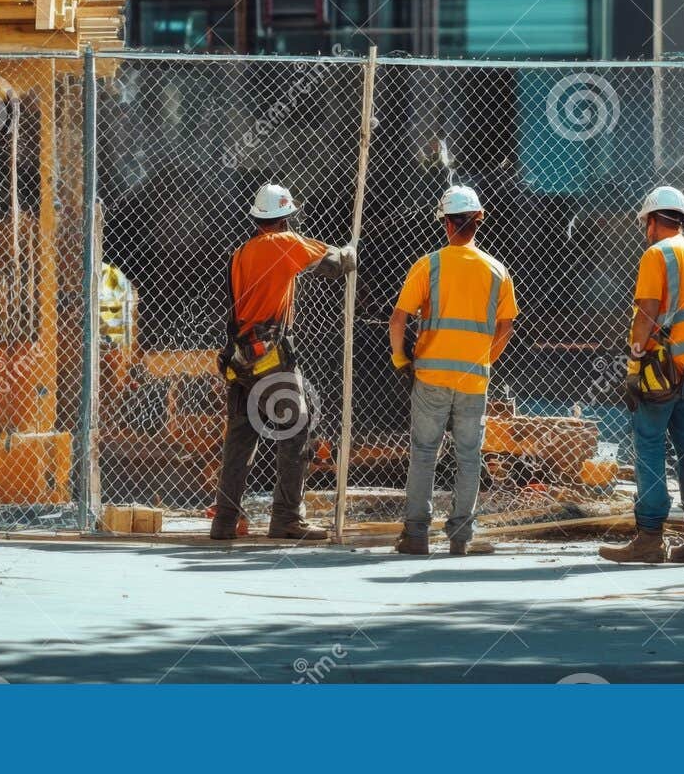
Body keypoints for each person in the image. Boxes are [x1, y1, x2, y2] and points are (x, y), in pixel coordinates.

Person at [212, 183, 355, 541]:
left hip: (241, 359)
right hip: (271, 358)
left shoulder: (241, 252)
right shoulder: (286, 243)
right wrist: (351, 248)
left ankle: (225, 520)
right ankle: (287, 517)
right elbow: (337, 263)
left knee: (241, 437)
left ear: (259, 219)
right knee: (298, 430)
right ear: (287, 218)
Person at [388, 186, 517, 556]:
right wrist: (485, 357)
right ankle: (461, 536)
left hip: (430, 375)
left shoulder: (428, 265)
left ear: (445, 223)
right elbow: (506, 325)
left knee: (425, 452)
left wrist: (401, 359)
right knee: (468, 455)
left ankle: (416, 535)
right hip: (474, 379)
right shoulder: (497, 271)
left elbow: (398, 320)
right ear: (479, 221)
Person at [600, 186, 684, 565]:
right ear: (682, 219)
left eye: (646, 223)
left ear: (652, 221)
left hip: (662, 366)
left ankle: (650, 537)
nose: (646, 230)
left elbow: (648, 313)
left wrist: (636, 356)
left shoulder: (656, 254)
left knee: (649, 444)